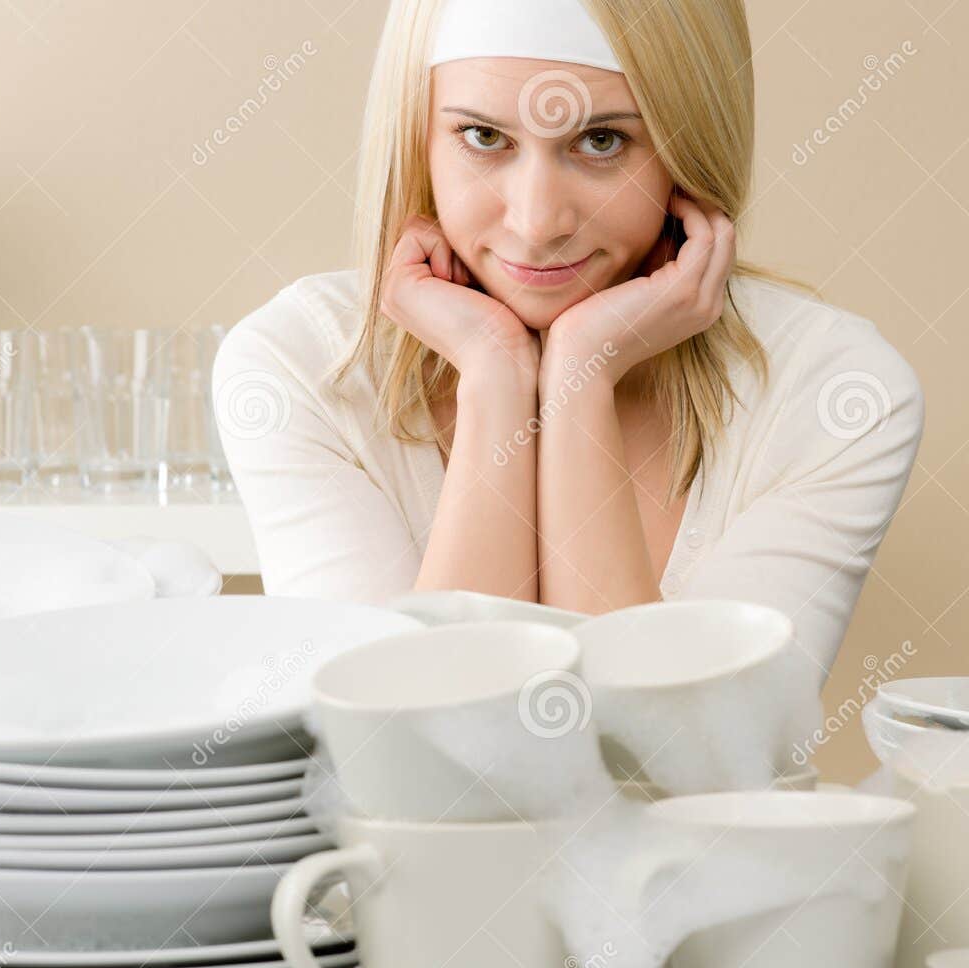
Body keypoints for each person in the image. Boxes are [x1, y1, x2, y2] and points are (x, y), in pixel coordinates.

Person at [213, 0, 924, 688]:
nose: (537, 222)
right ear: (416, 139)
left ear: (688, 150)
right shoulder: (301, 366)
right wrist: (496, 373)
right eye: (484, 138)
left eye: (602, 141)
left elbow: (675, 765)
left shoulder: (835, 393)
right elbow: (407, 758)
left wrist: (581, 375)